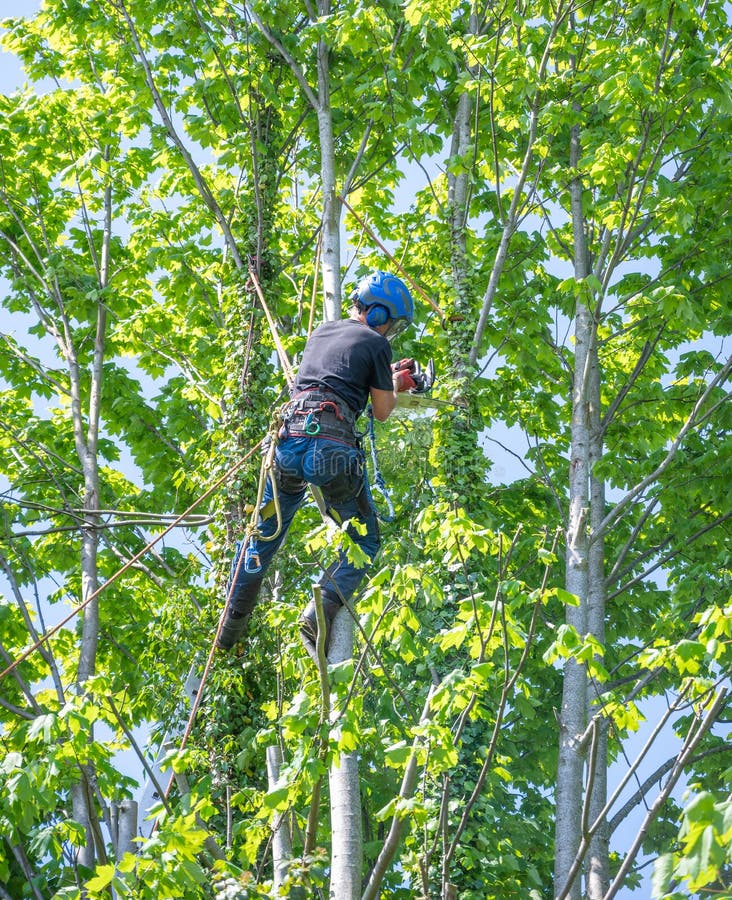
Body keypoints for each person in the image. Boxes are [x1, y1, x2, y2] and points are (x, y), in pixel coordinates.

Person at [217, 270, 419, 657]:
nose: (388, 332)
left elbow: (337, 374)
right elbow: (381, 412)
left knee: (264, 536)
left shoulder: (322, 332)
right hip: (331, 448)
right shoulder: (377, 344)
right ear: (378, 315)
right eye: (389, 322)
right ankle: (318, 612)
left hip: (289, 443)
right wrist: (394, 385)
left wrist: (382, 376)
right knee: (365, 540)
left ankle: (228, 631)